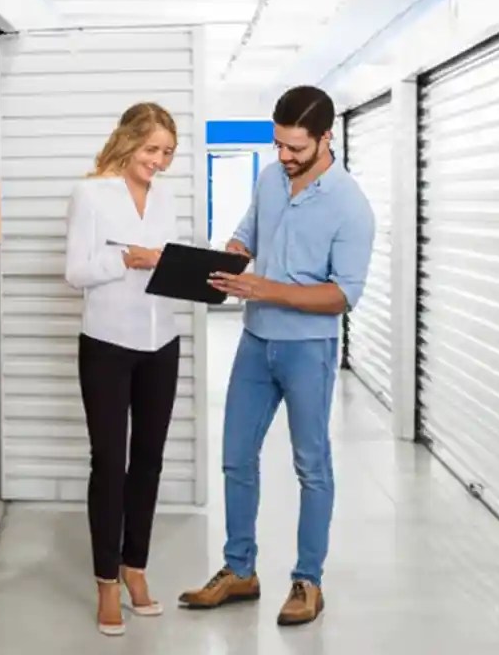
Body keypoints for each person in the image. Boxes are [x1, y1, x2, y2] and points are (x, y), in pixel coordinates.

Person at [178, 85, 376, 626]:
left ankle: (308, 581)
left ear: (325, 138)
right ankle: (239, 570)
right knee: (236, 457)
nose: (284, 157)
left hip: (308, 351)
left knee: (311, 465)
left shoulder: (350, 205)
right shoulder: (270, 179)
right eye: (278, 145)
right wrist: (230, 256)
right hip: (255, 342)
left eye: (295, 148)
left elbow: (342, 294)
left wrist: (267, 289)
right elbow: (247, 235)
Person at [63, 102, 181, 637]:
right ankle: (106, 582)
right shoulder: (91, 193)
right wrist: (125, 259)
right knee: (110, 463)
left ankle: (136, 569)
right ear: (129, 141)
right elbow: (75, 272)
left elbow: (167, 260)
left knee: (150, 461)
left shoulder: (167, 195)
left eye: (167, 154)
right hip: (108, 343)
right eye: (152, 149)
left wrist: (196, 273)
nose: (158, 162)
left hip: (162, 340)